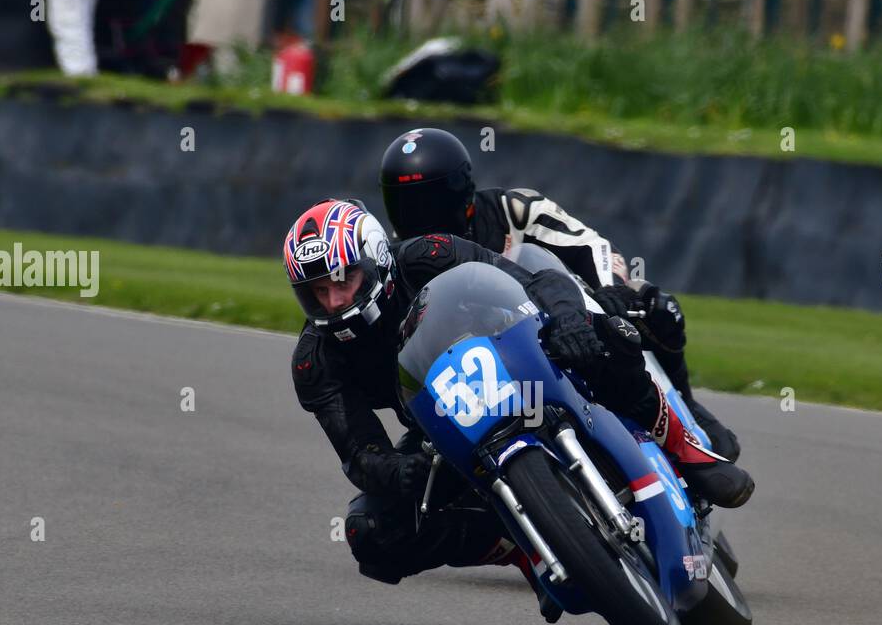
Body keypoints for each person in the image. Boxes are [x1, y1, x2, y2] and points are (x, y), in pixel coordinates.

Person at [285, 198, 754, 587]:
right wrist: (396, 473)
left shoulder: (427, 255)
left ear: (376, 260)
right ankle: (517, 545)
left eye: (344, 281)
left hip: (521, 358)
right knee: (370, 532)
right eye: (317, 292)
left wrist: (568, 318)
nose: (335, 302)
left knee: (608, 335)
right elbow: (358, 451)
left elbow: (530, 279)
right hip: (442, 424)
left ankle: (687, 450)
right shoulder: (315, 360)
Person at [378, 126, 743, 464]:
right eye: (406, 204)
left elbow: (587, 243)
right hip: (480, 374)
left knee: (656, 307)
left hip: (561, 324)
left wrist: (610, 290)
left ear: (461, 193)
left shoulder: (513, 208)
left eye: (429, 201)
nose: (419, 216)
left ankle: (685, 408)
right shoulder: (395, 263)